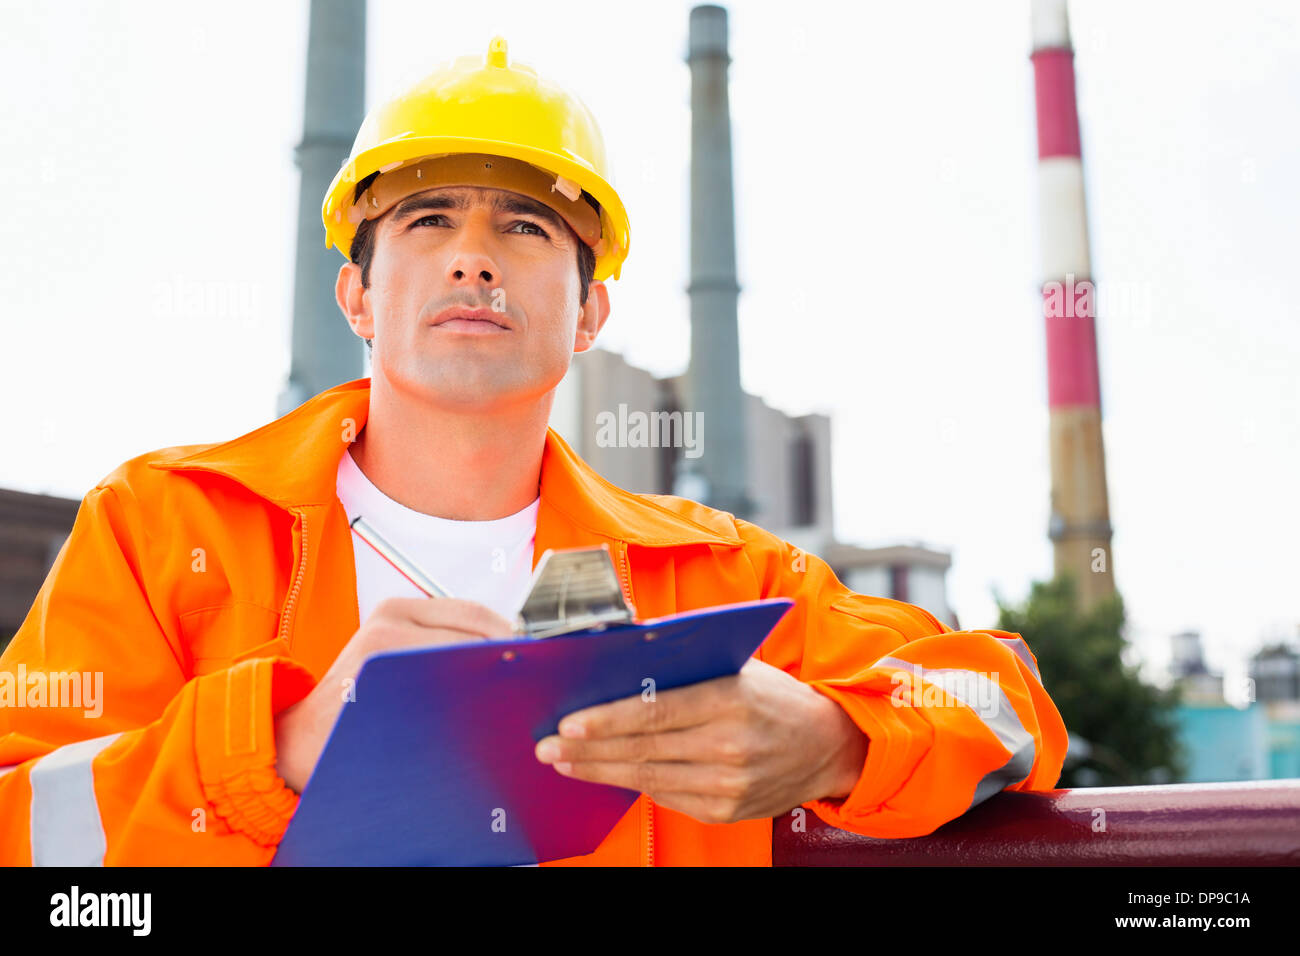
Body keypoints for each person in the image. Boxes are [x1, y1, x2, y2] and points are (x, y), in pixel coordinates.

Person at [0, 37, 1066, 866]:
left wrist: (837, 737)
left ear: (591, 309)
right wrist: (269, 751)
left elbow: (1005, 699)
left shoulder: (719, 580)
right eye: (425, 220)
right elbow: (22, 823)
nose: (471, 258)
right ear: (356, 293)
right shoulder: (163, 529)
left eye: (524, 226)